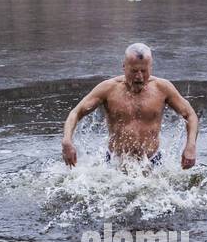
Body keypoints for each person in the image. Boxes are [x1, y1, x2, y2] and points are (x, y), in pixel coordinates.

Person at [61, 43, 199, 169]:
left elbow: (190, 115)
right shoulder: (108, 88)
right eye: (134, 71)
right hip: (116, 162)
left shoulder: (162, 88)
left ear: (150, 67)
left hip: (151, 161)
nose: (139, 76)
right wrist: (67, 141)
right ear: (124, 66)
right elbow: (76, 113)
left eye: (144, 71)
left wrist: (191, 146)